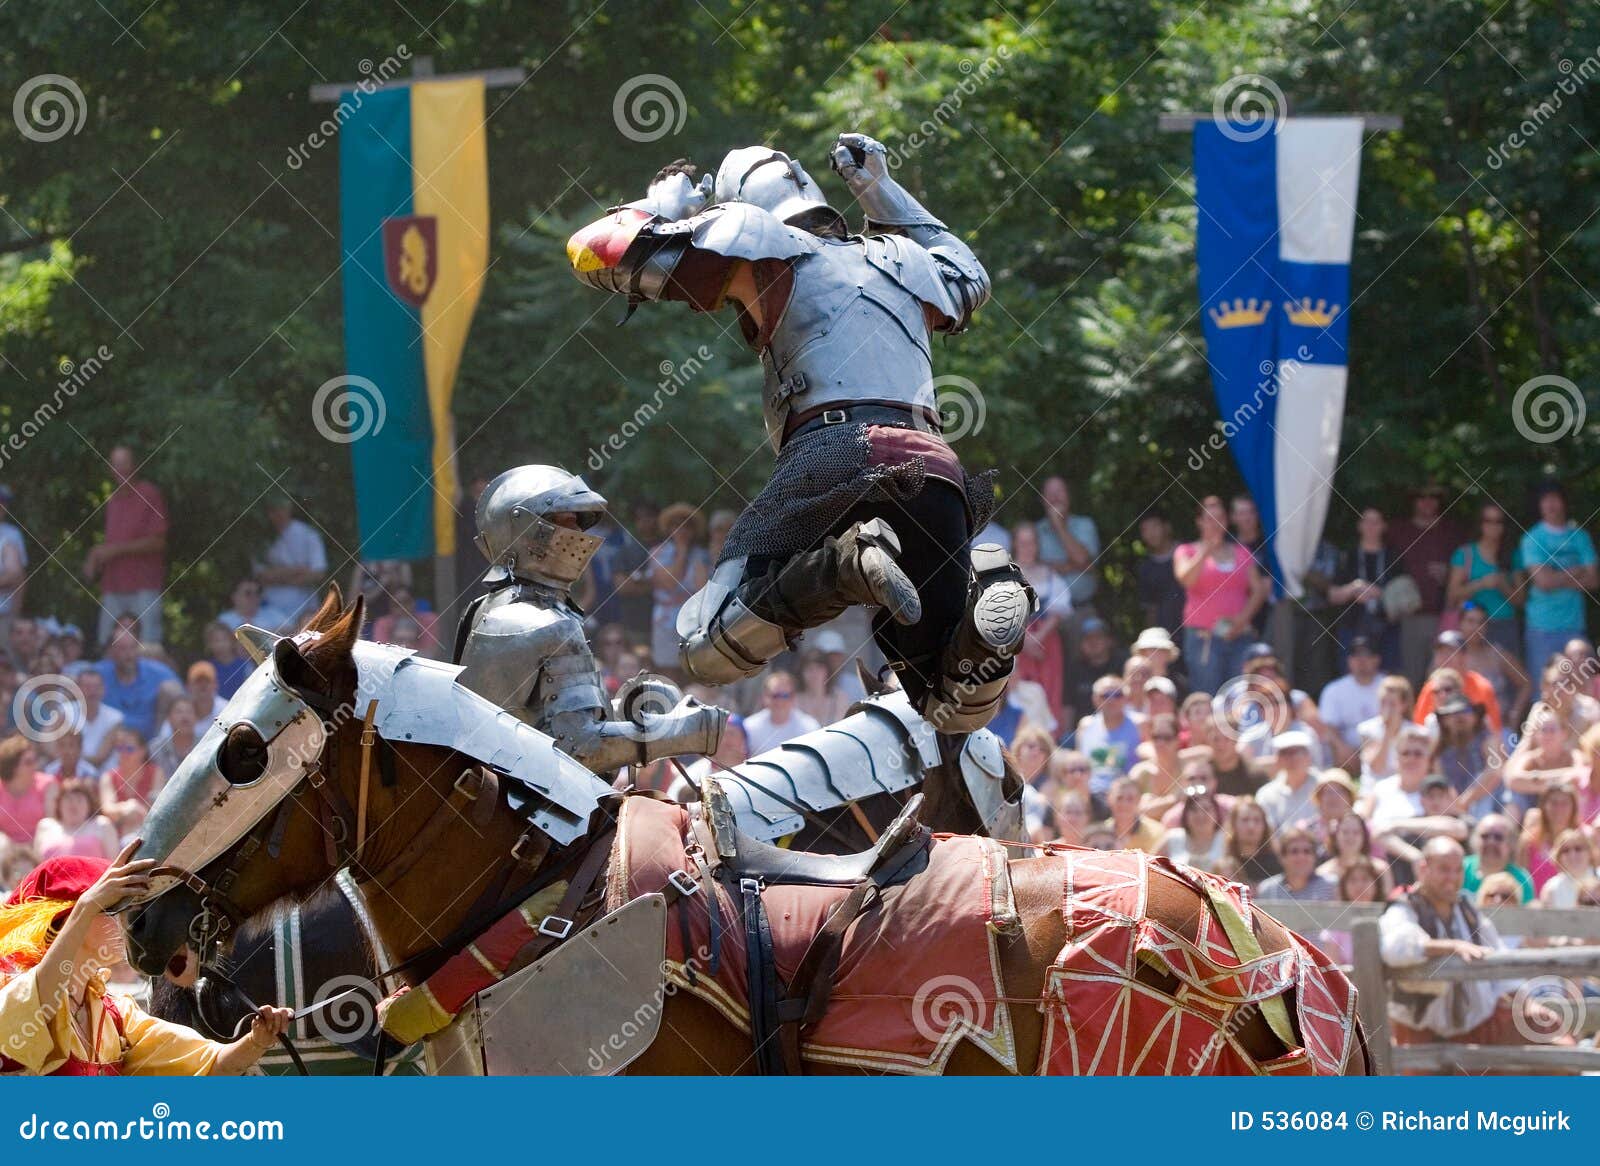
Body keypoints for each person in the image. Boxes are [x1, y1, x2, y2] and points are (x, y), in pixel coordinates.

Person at [568, 137, 1029, 739]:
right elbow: (970, 275)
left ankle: (847, 568)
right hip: (935, 466)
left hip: (831, 453)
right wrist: (878, 186)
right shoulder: (900, 258)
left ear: (741, 204)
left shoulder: (761, 242)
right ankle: (990, 589)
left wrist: (665, 204)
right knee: (950, 700)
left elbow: (592, 253)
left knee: (706, 643)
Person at [454, 467, 727, 776]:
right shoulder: (536, 621)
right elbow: (578, 750)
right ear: (525, 530)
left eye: (578, 523)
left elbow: (544, 720)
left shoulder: (499, 608)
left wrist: (622, 710)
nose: (579, 535)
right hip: (535, 808)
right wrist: (688, 730)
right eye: (565, 522)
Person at [0, 850, 292, 1074]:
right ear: (64, 920)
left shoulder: (116, 1014)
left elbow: (213, 1066)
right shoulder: (15, 991)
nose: (126, 921)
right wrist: (88, 905)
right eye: (113, 908)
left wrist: (257, 1041)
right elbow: (42, 996)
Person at [1380, 836, 1571, 1070]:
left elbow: (1499, 958)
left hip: (1477, 1026)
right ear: (1423, 869)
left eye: (1457, 870)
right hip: (1423, 1032)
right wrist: (1450, 946)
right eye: (1443, 869)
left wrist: (1527, 1002)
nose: (1451, 878)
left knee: (1547, 1031)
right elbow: (1395, 948)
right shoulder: (1405, 907)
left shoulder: (1467, 910)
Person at [1173, 495, 1268, 695]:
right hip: (1204, 638)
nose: (1216, 524)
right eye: (1210, 519)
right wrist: (1205, 551)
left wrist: (1241, 621)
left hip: (1240, 635)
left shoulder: (1241, 551)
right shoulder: (1186, 550)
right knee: (1207, 694)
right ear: (1199, 522)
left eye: (1220, 518)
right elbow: (1186, 579)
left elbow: (1258, 590)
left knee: (1241, 695)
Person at [83, 446, 168, 646]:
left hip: (143, 586)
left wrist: (114, 550)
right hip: (112, 586)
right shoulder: (112, 501)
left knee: (147, 647)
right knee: (108, 645)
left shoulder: (149, 493)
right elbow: (111, 544)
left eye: (124, 463)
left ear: (135, 466)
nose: (120, 469)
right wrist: (95, 556)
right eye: (115, 464)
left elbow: (159, 542)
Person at [1515, 482, 1597, 675]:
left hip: (1575, 627)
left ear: (1564, 502)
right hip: (1541, 628)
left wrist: (1554, 577)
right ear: (1539, 504)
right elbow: (1543, 582)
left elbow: (1594, 581)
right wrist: (1576, 571)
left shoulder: (1580, 536)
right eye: (1545, 499)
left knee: (1581, 688)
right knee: (1545, 692)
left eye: (1555, 498)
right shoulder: (1532, 538)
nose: (1550, 504)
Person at [1387, 484, 1465, 685]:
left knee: (1443, 677)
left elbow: (1464, 569)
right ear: (1413, 501)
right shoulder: (1398, 531)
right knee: (1410, 677)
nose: (1427, 501)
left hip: (1444, 616)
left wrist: (1448, 573)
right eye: (1421, 496)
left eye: (1433, 496)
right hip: (1408, 617)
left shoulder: (1452, 531)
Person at [1011, 522, 1070, 729]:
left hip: (1046, 642)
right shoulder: (1005, 574)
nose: (1027, 547)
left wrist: (1038, 637)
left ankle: (1048, 741)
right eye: (1023, 542)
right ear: (1015, 544)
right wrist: (1023, 640)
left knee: (1049, 688)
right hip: (1012, 643)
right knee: (1018, 690)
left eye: (1032, 542)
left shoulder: (1049, 574)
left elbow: (1058, 609)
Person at [1330, 506, 1401, 670]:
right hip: (1351, 626)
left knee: (1386, 676)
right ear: (1359, 525)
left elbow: (1406, 595)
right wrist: (1355, 589)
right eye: (1367, 521)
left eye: (1376, 522)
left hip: (1386, 629)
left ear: (1383, 526)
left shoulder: (1393, 556)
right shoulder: (1347, 556)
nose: (1371, 527)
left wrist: (1378, 593)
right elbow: (1333, 595)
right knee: (1349, 674)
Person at [1445, 503, 1521, 656]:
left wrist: (1503, 585)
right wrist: (1481, 584)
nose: (1493, 526)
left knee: (1506, 678)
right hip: (1472, 627)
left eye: (1498, 521)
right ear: (1480, 524)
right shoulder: (1465, 554)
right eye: (1487, 520)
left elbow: (1521, 600)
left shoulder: (1513, 555)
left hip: (1504, 627)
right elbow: (1452, 595)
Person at [649, 502, 709, 675]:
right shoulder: (657, 552)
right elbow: (670, 582)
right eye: (677, 524)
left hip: (693, 620)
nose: (682, 529)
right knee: (667, 671)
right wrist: (682, 551)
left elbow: (702, 589)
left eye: (687, 525)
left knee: (693, 670)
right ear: (669, 528)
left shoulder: (701, 555)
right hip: (664, 621)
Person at [91, 624, 179, 740]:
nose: (129, 654)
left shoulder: (158, 672)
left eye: (132, 648)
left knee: (171, 689)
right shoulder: (99, 673)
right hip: (107, 746)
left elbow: (184, 700)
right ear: (111, 651)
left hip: (149, 744)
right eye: (122, 648)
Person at [253, 496, 328, 631]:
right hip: (271, 607)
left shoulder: (308, 534)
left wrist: (277, 576)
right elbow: (261, 575)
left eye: (281, 509)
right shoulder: (262, 540)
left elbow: (318, 572)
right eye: (273, 510)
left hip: (305, 605)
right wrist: (297, 570)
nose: (277, 514)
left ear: (289, 509)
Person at [1457, 602, 1529, 729]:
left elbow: (1526, 684)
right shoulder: (1451, 656)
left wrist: (1515, 715)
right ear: (1460, 624)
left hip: (1498, 727)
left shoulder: (1497, 655)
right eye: (1470, 621)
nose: (1476, 627)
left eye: (1480, 623)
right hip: (1462, 731)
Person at [1414, 634, 1502, 736]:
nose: (1445, 657)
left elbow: (1494, 729)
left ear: (1464, 656)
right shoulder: (1432, 687)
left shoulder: (1481, 686)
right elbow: (1418, 727)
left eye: (1451, 651)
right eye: (1440, 652)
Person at [1035, 476, 1100, 612]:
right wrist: (1078, 566)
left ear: (1069, 496)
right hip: (1044, 611)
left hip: (1082, 607)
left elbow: (1082, 559)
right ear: (1042, 500)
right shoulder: (1035, 531)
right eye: (1050, 493)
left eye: (1060, 491)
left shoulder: (1085, 525)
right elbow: (1032, 569)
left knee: (1097, 633)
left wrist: (1058, 525)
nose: (1055, 497)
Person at [1317, 636, 1384, 768]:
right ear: (1349, 660)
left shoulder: (1388, 685)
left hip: (1381, 747)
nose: (1361, 660)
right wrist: (1343, 749)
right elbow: (1328, 727)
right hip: (1345, 752)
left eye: (1366, 655)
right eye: (1355, 655)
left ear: (1377, 659)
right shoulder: (1334, 689)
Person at [1074, 675, 1143, 800]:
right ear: (1095, 699)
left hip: (1126, 795)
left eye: (1117, 695)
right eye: (1105, 695)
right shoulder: (1085, 725)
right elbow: (1079, 762)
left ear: (1126, 698)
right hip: (1091, 795)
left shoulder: (1139, 724)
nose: (1111, 700)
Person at [1517, 780, 1584, 893]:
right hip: (1537, 907)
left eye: (1564, 803)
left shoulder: (1584, 838)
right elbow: (1521, 879)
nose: (1559, 809)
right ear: (1544, 806)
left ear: (1574, 807)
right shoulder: (1529, 840)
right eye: (1554, 803)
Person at [31, 780, 118, 862]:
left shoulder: (101, 824)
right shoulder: (45, 826)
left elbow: (115, 863)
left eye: (79, 799)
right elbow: (36, 864)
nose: (73, 804)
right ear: (59, 803)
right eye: (68, 798)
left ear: (89, 804)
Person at [98, 728, 164, 835]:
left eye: (129, 749)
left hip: (149, 831)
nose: (123, 753)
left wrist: (136, 810)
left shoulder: (156, 772)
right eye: (120, 749)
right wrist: (127, 808)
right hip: (117, 835)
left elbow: (158, 804)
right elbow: (107, 809)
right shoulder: (108, 777)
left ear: (142, 751)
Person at [1061, 617, 1123, 728]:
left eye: (1098, 637)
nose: (1093, 642)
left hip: (1118, 728)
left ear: (1109, 641)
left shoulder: (1121, 666)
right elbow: (1068, 705)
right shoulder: (1075, 669)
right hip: (1083, 729)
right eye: (1088, 638)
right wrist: (1066, 731)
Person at [1254, 730, 1320, 831]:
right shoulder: (1266, 794)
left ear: (1308, 756)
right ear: (1277, 759)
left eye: (1297, 752)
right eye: (1285, 753)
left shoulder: (1324, 786)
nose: (1292, 758)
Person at [742, 670, 820, 755]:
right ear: (764, 697)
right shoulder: (749, 727)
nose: (780, 701)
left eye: (785, 696)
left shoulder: (810, 727)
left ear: (793, 698)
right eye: (775, 696)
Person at [1462, 814, 1535, 903]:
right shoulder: (1460, 868)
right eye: (1485, 836)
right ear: (1475, 840)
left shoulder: (1521, 879)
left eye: (1498, 837)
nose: (1491, 842)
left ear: (1511, 843)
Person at [1134, 513, 1185, 637]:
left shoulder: (1189, 553)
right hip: (1166, 634)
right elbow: (1151, 609)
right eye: (1145, 530)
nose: (1151, 533)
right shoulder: (1145, 568)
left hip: (1196, 628)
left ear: (1167, 527)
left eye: (1154, 527)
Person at [0, 738, 58, 847]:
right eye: (28, 762)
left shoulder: (48, 785)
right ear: (12, 766)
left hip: (38, 845)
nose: (34, 766)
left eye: (34, 761)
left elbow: (51, 824)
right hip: (5, 849)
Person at [1157, 785, 1226, 874]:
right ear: (1185, 814)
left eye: (1206, 809)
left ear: (1216, 812)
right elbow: (1150, 866)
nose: (1200, 815)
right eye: (1194, 809)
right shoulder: (1172, 838)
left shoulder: (1227, 840)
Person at [1256, 828, 1337, 901]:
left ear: (1314, 857)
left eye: (1307, 851)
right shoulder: (1268, 890)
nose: (1301, 857)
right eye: (1294, 851)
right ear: (1282, 858)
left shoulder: (1332, 887)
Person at [1220, 796, 1281, 888]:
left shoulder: (1278, 863)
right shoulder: (1224, 862)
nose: (1251, 826)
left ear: (1265, 826)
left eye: (1257, 820)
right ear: (1233, 824)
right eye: (1245, 820)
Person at [70, 668, 123, 773]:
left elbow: (100, 758)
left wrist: (70, 758)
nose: (93, 691)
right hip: (69, 772)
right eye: (88, 687)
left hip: (104, 773)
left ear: (103, 689)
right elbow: (47, 744)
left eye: (97, 687)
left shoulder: (115, 718)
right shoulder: (64, 712)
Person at [1099, 775, 1162, 853]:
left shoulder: (1157, 832)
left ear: (1139, 800)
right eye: (1119, 798)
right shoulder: (1101, 833)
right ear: (1109, 798)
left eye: (1130, 799)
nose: (1124, 804)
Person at [1539, 829, 1599, 909]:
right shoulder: (1551, 888)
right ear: (1558, 857)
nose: (1572, 854)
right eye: (1565, 850)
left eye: (1578, 849)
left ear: (1590, 852)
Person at [0, 485, 27, 647]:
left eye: (4, 504)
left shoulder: (11, 535)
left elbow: (17, 577)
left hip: (4, 614)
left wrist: (15, 616)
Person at [216, 579, 291, 636]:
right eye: (248, 593)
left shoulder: (273, 613)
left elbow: (292, 631)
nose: (254, 597)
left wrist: (257, 633)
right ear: (234, 596)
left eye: (257, 592)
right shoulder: (224, 620)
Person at [795, 649, 850, 726]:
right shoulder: (794, 700)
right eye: (809, 668)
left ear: (827, 670)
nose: (814, 673)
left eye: (819, 668)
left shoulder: (839, 698)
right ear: (801, 672)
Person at [201, 621, 251, 698]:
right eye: (216, 641)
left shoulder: (245, 665)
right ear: (209, 644)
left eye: (224, 639)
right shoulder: (207, 668)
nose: (221, 644)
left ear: (232, 641)